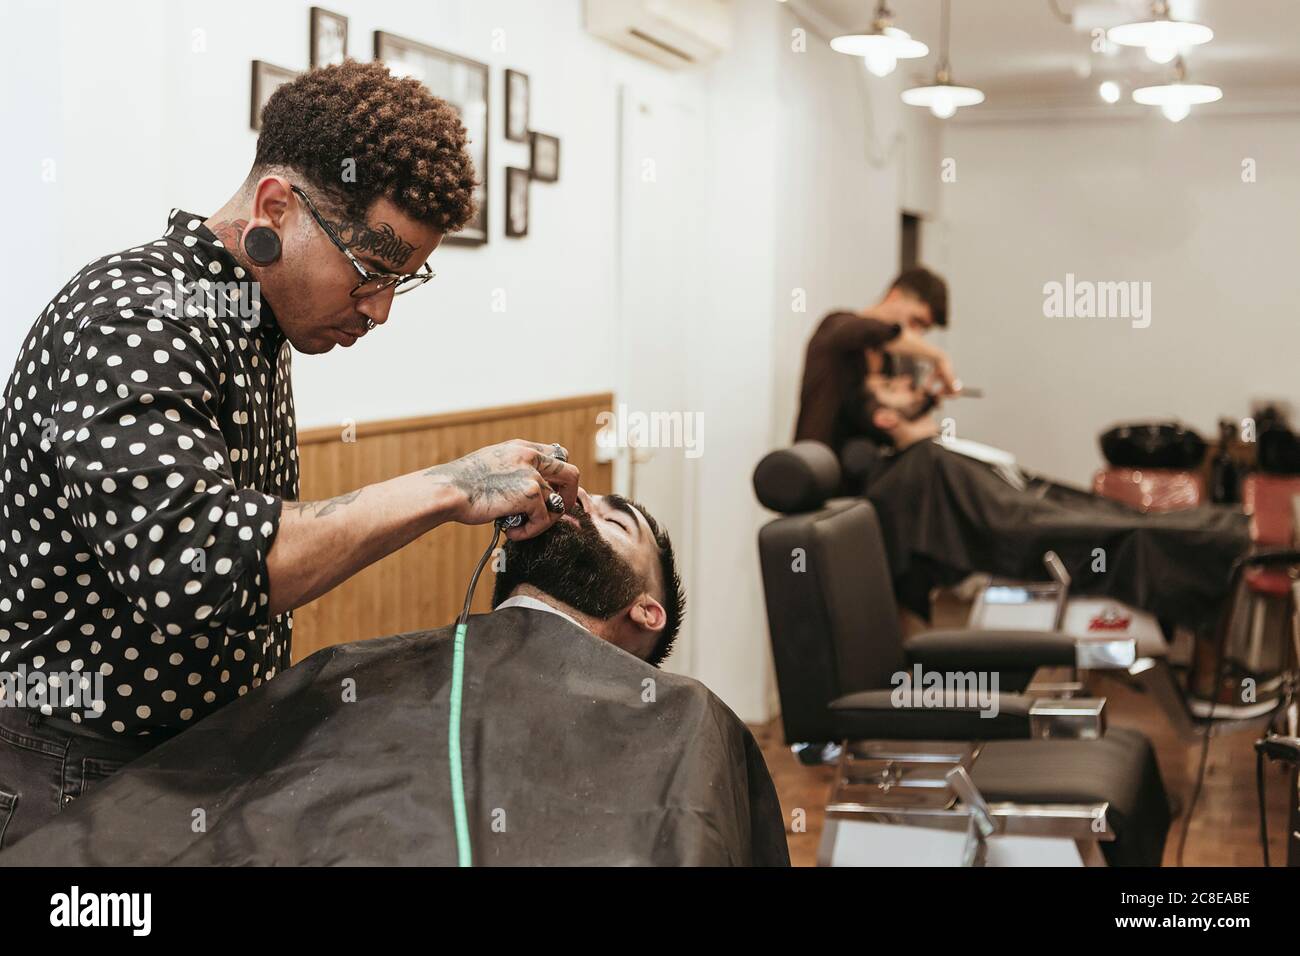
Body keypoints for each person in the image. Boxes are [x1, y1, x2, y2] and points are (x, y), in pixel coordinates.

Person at [0, 62, 581, 828]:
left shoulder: (250, 318)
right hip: (78, 764)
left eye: (401, 282)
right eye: (371, 272)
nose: (378, 312)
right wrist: (453, 486)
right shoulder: (138, 316)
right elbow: (197, 569)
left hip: (185, 750)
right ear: (275, 206)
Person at [0, 494, 791, 866]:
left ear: (646, 613)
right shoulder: (363, 674)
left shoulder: (686, 717)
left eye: (615, 522)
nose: (579, 510)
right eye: (577, 502)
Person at [794, 267, 958, 460]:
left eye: (924, 329)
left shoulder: (887, 362)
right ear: (895, 296)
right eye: (916, 321)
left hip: (860, 471)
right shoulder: (836, 326)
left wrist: (924, 400)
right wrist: (938, 357)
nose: (917, 334)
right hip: (817, 464)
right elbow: (874, 331)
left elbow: (877, 416)